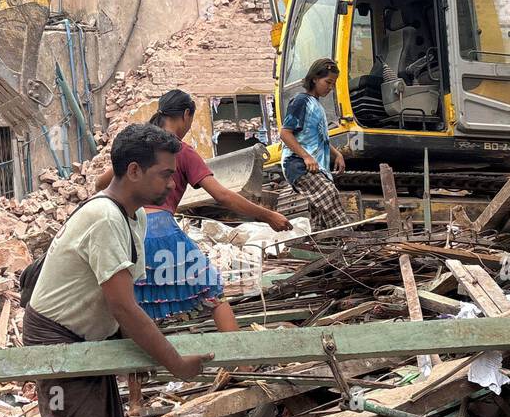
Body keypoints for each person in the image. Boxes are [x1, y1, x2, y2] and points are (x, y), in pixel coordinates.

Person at [24, 123, 212, 417]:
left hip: (90, 341)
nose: (173, 184)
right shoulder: (107, 218)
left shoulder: (134, 218)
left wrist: (133, 355)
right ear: (132, 171)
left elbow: (122, 304)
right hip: (59, 345)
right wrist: (173, 362)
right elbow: (125, 306)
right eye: (164, 174)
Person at [97, 89, 292, 332]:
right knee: (213, 294)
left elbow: (99, 184)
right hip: (161, 230)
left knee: (133, 303)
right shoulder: (181, 151)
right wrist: (268, 215)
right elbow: (222, 195)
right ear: (187, 115)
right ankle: (242, 362)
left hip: (128, 230)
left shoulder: (140, 149)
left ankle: (134, 371)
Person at [279, 57, 352, 231]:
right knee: (329, 194)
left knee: (320, 215)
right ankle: (347, 239)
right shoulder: (301, 102)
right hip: (298, 164)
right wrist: (306, 156)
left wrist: (337, 154)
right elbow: (284, 133)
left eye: (333, 84)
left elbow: (320, 137)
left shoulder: (317, 105)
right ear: (314, 79)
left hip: (315, 166)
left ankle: (323, 249)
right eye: (327, 82)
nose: (330, 87)